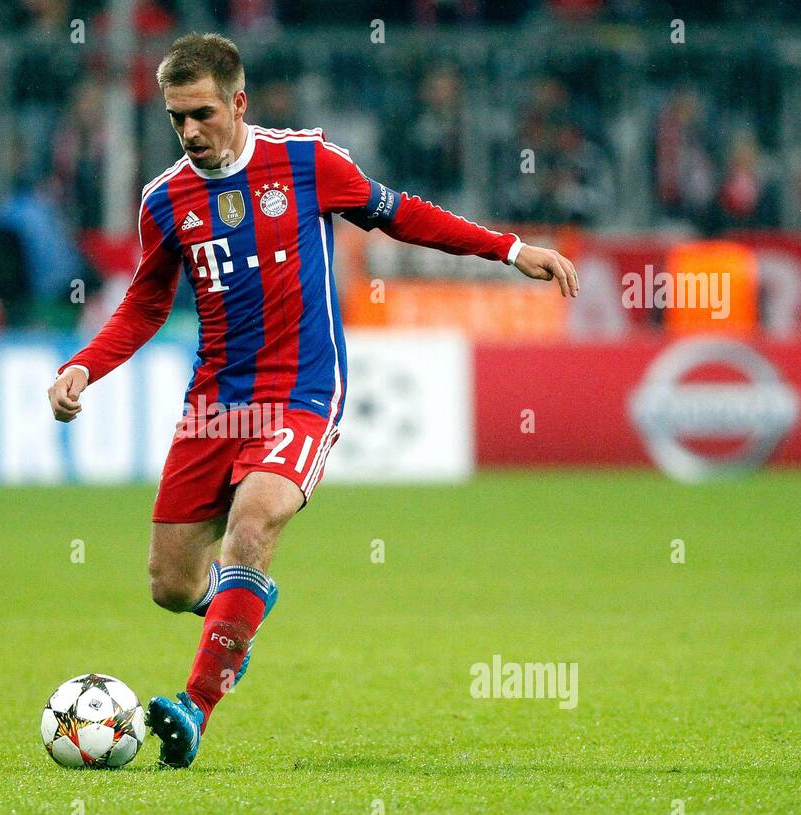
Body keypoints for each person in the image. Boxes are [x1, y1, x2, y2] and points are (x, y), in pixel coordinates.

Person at [45, 33, 577, 768]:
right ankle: (236, 615)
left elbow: (403, 214)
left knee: (255, 522)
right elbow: (143, 306)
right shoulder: (165, 200)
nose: (190, 131)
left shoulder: (305, 162)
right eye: (177, 119)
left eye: (202, 113)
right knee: (170, 585)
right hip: (217, 402)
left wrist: (510, 249)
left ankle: (196, 704)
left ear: (238, 101)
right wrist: (82, 368)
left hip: (303, 389)